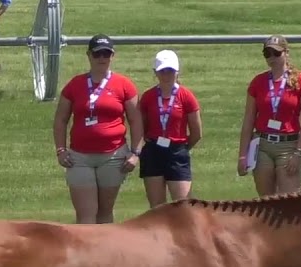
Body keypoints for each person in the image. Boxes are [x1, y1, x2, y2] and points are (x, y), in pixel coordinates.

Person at [53, 34, 142, 224]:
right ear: (89, 55)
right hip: (79, 157)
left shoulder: (124, 85)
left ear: (112, 56)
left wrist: (135, 153)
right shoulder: (75, 84)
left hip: (113, 155)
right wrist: (60, 150)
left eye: (106, 54)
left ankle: (105, 253)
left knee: (105, 213)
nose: (102, 58)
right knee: (85, 214)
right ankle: (85, 253)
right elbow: (60, 119)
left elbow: (136, 121)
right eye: (97, 54)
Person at [237, 35, 301, 197]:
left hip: (288, 145)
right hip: (262, 144)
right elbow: (248, 121)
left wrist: (299, 152)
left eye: (276, 53)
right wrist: (243, 155)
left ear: (286, 53)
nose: (271, 58)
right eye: (267, 54)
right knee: (266, 201)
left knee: (288, 201)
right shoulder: (258, 82)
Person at [138, 49, 202, 207]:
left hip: (177, 152)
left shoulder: (186, 96)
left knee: (183, 206)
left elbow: (196, 132)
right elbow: (142, 125)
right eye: (162, 71)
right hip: (153, 151)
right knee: (157, 207)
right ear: (156, 72)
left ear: (177, 72)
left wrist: (182, 148)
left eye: (170, 71)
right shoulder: (148, 96)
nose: (166, 75)